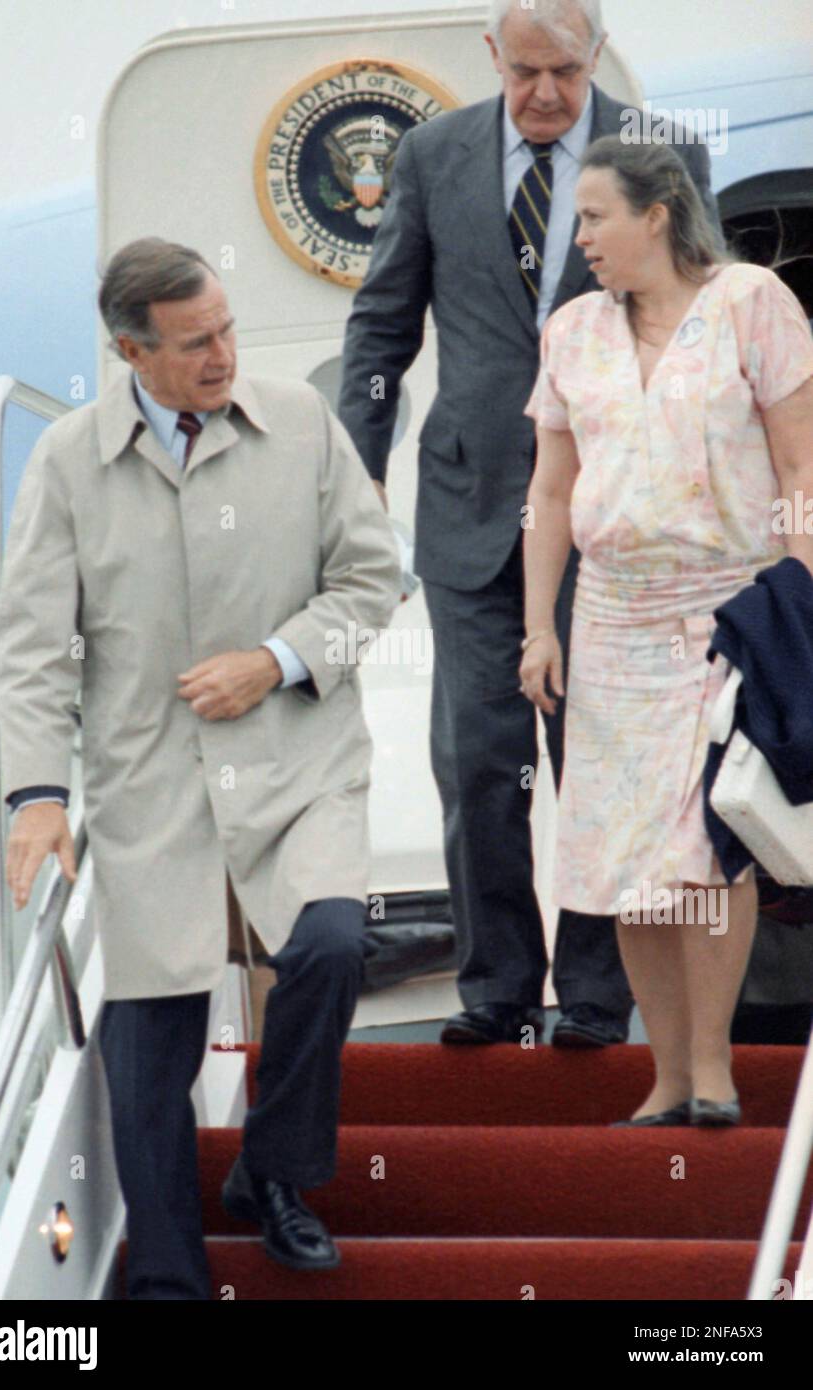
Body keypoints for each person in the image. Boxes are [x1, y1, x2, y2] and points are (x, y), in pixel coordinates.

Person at [0, 237, 401, 1297]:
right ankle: (168, 1280)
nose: (223, 354)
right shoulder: (69, 461)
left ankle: (274, 1167)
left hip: (300, 757)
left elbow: (374, 584)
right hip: (150, 778)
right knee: (152, 1036)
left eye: (227, 328)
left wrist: (274, 661)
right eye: (194, 342)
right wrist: (37, 795)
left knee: (327, 944)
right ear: (130, 349)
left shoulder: (301, 424)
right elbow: (33, 646)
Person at [338, 0, 722, 1047]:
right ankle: (497, 988)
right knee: (475, 759)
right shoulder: (431, 155)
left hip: (614, 521)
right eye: (524, 71)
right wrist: (355, 470)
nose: (545, 93)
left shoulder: (663, 152)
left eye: (565, 69)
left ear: (597, 54)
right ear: (491, 57)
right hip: (467, 515)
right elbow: (382, 320)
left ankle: (598, 1001)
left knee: (597, 761)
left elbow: (698, 319)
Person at [521, 135, 813, 1125]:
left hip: (727, 608)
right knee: (626, 854)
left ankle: (717, 1066)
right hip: (608, 620)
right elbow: (551, 489)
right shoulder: (570, 331)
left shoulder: (752, 304)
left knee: (703, 839)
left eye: (597, 216)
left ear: (656, 215)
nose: (583, 237)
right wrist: (538, 630)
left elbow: (801, 469)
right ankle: (671, 1076)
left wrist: (800, 597)